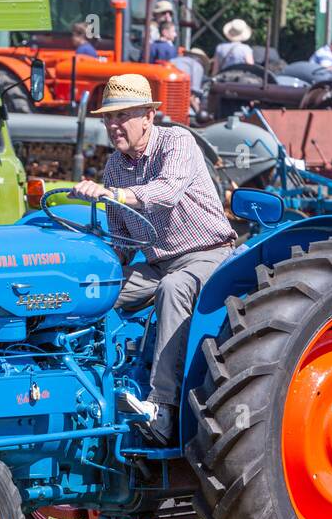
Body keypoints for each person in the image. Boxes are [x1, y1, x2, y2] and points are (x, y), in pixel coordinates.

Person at [69, 75, 236, 447]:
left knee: (173, 288)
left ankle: (162, 409)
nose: (113, 126)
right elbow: (122, 242)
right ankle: (88, 385)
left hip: (207, 254)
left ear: (148, 116)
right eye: (107, 119)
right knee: (95, 292)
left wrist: (112, 194)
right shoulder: (116, 164)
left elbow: (165, 192)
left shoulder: (178, 143)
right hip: (157, 260)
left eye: (122, 116)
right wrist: (93, 269)